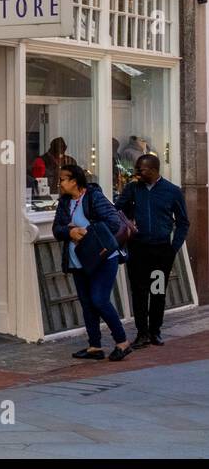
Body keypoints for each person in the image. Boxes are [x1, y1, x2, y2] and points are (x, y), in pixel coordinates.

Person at [52, 163, 132, 362]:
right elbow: (56, 229)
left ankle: (122, 342)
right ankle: (94, 346)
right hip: (78, 261)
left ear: (74, 181)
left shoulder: (94, 196)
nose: (59, 183)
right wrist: (69, 231)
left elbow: (113, 222)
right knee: (87, 304)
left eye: (62, 179)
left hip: (103, 258)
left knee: (99, 300)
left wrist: (87, 231)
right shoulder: (64, 202)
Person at [115, 153, 189, 347]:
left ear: (154, 170)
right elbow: (117, 210)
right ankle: (142, 333)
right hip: (138, 249)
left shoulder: (172, 191)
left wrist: (174, 247)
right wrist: (129, 221)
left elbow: (183, 222)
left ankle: (155, 331)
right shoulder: (132, 189)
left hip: (160, 252)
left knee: (157, 291)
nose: (137, 172)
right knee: (139, 292)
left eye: (141, 169)